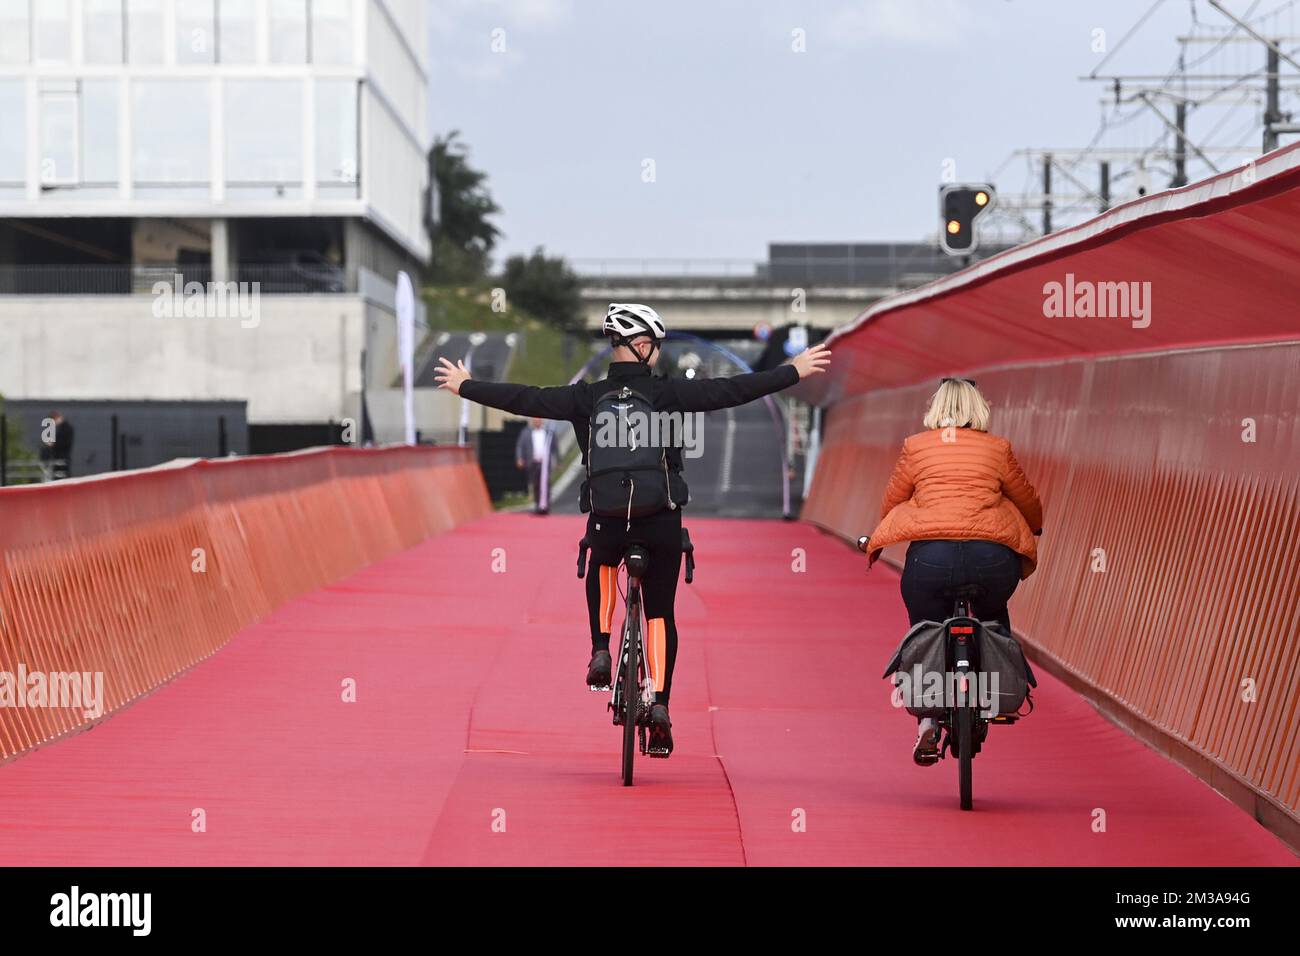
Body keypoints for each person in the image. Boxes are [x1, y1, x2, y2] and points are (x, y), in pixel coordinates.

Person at [436, 303, 830, 754]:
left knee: (602, 558)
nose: (657, 354)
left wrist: (466, 385)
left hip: (608, 518)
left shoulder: (585, 397)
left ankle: (601, 646)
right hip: (660, 519)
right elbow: (733, 390)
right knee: (661, 610)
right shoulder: (667, 395)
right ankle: (659, 701)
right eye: (655, 347)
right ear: (642, 347)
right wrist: (792, 372)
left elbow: (524, 397)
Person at [862, 377, 1043, 766]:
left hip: (932, 559)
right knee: (993, 617)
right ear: (980, 408)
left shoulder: (916, 447)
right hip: (991, 558)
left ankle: (928, 716)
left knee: (925, 627)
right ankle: (999, 692)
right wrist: (1035, 525)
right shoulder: (998, 448)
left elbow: (892, 501)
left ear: (935, 408)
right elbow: (1027, 501)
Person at [514, 417, 558, 514]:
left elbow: (555, 448)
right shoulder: (526, 432)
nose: (537, 421)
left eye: (539, 420)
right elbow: (520, 446)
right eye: (535, 420)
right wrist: (519, 458)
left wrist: (557, 461)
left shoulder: (548, 432)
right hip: (533, 462)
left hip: (545, 463)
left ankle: (545, 505)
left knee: (545, 484)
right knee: (535, 484)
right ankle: (538, 505)